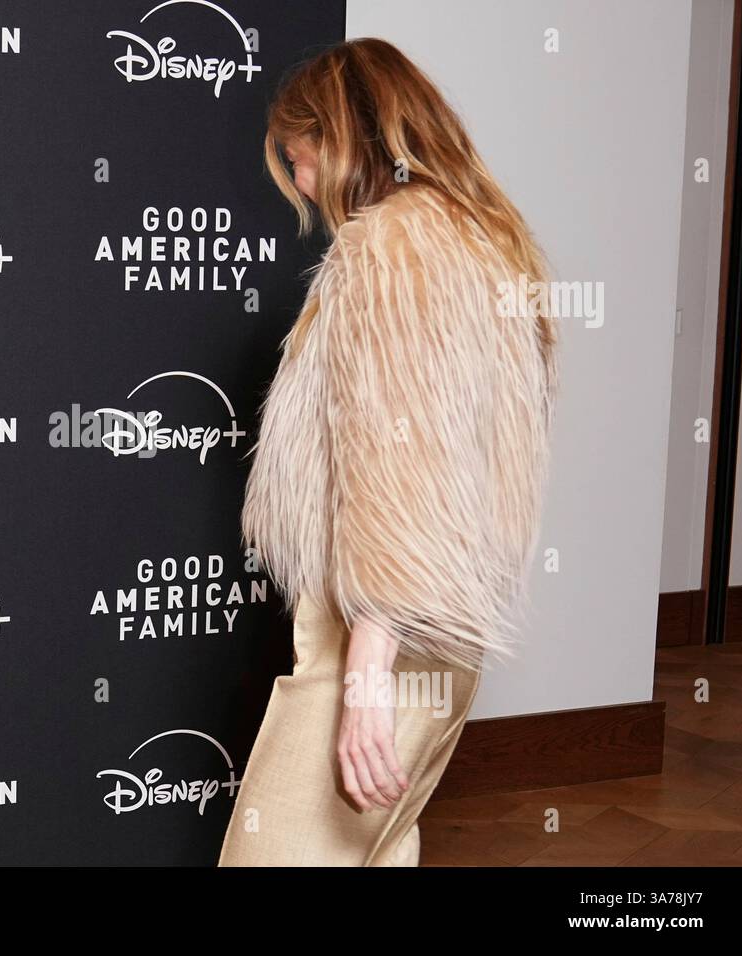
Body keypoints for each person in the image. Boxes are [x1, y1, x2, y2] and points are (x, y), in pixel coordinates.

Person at [219, 38, 558, 866]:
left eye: (301, 161)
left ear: (343, 141)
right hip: (437, 633)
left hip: (377, 635)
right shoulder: (479, 243)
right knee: (380, 849)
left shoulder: (393, 247)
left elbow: (398, 464)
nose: (300, 186)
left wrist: (366, 671)